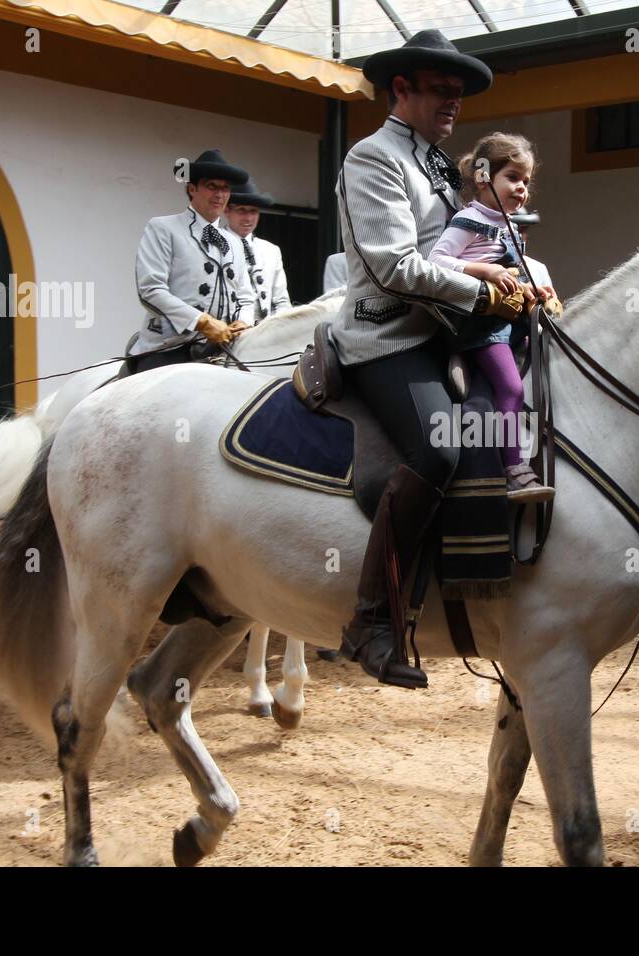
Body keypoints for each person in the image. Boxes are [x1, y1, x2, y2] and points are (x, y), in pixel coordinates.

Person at [331, 30, 529, 689]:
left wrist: (520, 285)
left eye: (459, 93)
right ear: (402, 89)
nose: (453, 102)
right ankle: (373, 620)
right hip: (386, 336)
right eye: (440, 89)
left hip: (445, 331)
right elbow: (392, 267)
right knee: (440, 448)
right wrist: (483, 292)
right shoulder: (373, 158)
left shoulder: (442, 166)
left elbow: (475, 240)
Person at [429, 133, 556, 502]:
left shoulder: (511, 228)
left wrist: (534, 292)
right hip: (483, 324)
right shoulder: (469, 219)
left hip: (512, 320)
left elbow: (513, 275)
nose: (522, 189)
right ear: (484, 178)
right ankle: (514, 468)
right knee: (512, 388)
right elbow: (436, 261)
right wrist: (482, 271)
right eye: (513, 178)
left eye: (526, 182)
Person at [129, 149, 254, 373]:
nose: (219, 194)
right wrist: (203, 322)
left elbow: (246, 296)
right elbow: (151, 290)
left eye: (224, 188)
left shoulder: (234, 242)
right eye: (211, 186)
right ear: (192, 188)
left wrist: (244, 322)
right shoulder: (163, 228)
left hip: (224, 349)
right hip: (169, 348)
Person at [223, 179, 290, 322]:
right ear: (226, 210)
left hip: (264, 334)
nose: (248, 218)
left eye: (253, 211)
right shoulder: (215, 245)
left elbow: (281, 301)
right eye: (241, 210)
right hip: (225, 332)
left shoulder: (270, 250)